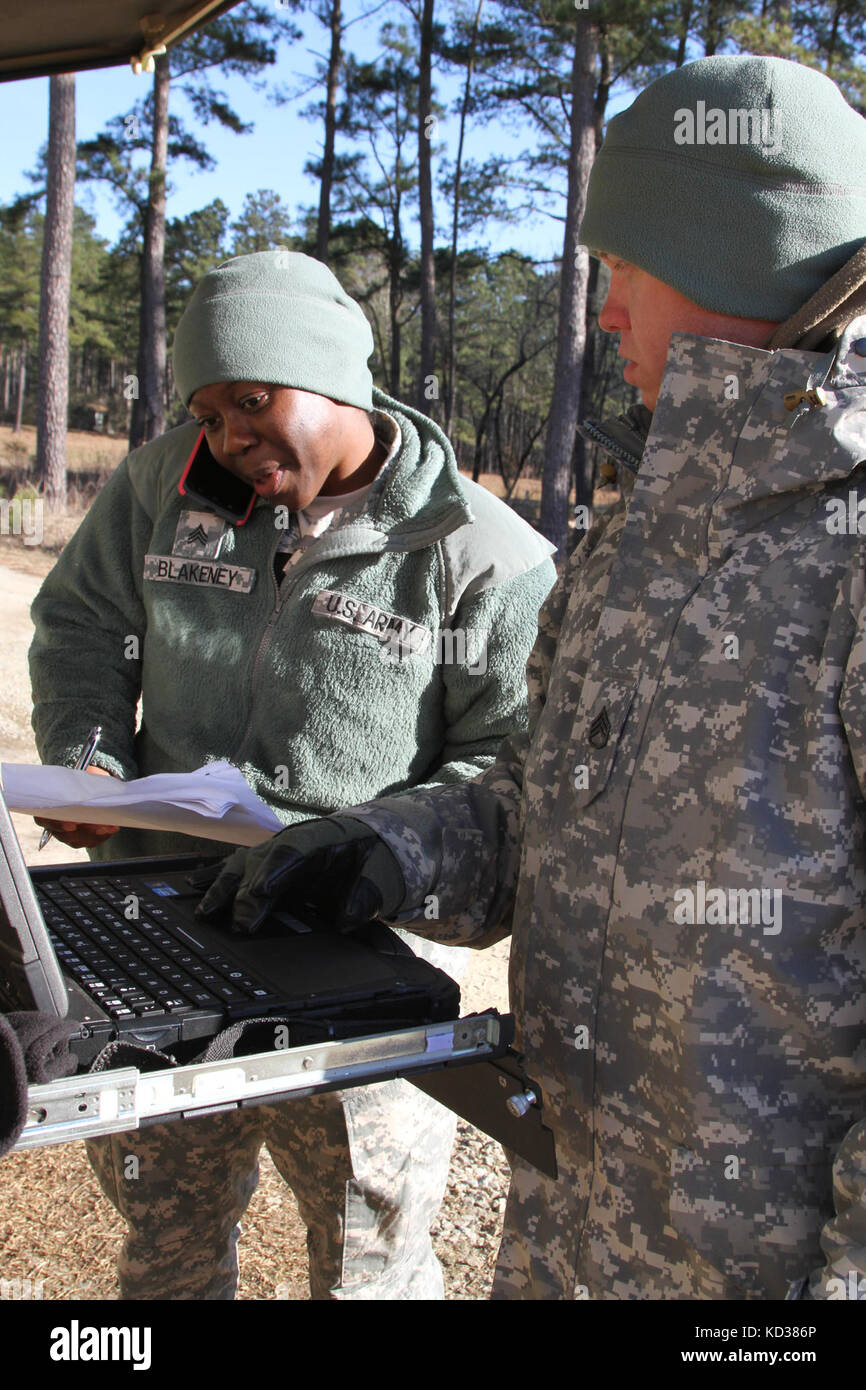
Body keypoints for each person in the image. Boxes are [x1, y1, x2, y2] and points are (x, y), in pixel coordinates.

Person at [198, 57, 866, 1299]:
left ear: (726, 255)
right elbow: (539, 804)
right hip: (564, 1237)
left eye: (621, 267)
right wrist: (380, 852)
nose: (602, 313)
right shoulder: (640, 532)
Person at [28, 248, 556, 1299]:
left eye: (254, 401)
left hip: (356, 972)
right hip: (159, 939)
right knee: (164, 1243)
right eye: (210, 410)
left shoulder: (480, 553)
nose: (227, 437)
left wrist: (372, 852)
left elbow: (507, 770)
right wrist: (88, 756)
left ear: (336, 381)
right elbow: (84, 625)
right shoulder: (159, 486)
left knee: (368, 1260)